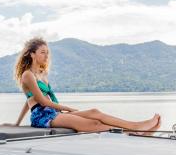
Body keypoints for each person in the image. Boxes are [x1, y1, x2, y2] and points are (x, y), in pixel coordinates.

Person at [12, 37, 160, 133]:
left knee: (94, 112)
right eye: (42, 52)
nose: (46, 55)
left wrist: (17, 123)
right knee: (93, 124)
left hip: (52, 113)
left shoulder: (41, 74)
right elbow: (41, 101)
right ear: (32, 54)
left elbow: (29, 100)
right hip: (42, 117)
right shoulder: (27, 75)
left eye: (47, 52)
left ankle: (134, 125)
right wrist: (67, 108)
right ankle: (133, 131)